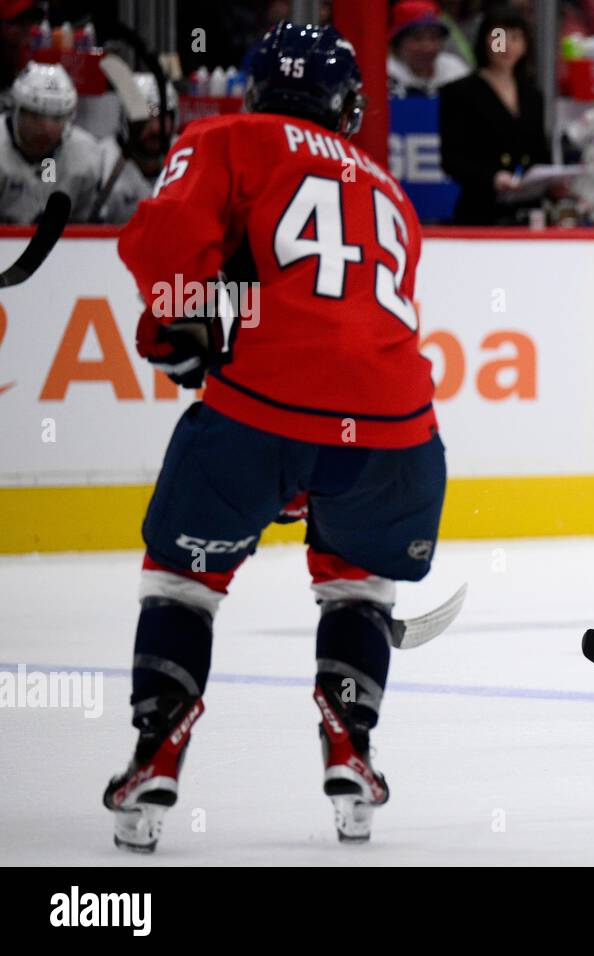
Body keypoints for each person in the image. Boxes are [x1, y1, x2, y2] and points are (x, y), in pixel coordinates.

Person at [103, 22, 445, 852]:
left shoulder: (225, 135)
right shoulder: (387, 189)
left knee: (184, 580)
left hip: (261, 410)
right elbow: (346, 329)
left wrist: (173, 324)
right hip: (400, 430)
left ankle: (155, 757)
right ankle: (352, 755)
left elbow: (170, 237)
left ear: (256, 89)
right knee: (358, 586)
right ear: (346, 104)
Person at [438, 6, 550, 224]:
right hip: (480, 209)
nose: (507, 45)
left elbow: (540, 152)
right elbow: (451, 160)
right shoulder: (460, 92)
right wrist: (492, 178)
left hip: (528, 210)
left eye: (516, 37)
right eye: (499, 36)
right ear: (485, 40)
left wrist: (551, 179)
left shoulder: (532, 95)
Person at [0, 62, 103, 223]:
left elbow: (84, 229)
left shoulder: (85, 155)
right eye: (36, 116)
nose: (46, 129)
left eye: (57, 118)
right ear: (16, 111)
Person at [92, 73, 177, 224]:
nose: (156, 128)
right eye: (145, 118)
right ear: (126, 119)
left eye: (162, 117)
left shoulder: (187, 158)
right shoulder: (99, 162)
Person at [387, 0, 471, 98]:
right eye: (417, 38)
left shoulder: (455, 70)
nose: (428, 48)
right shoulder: (384, 72)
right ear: (398, 42)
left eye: (434, 38)